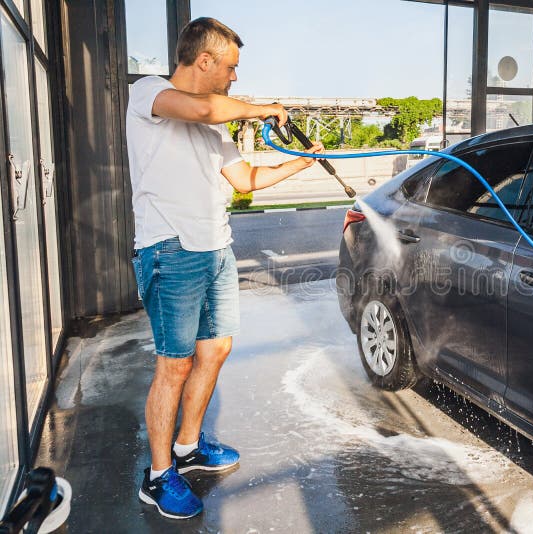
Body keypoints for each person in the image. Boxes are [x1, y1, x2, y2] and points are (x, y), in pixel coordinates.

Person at [126, 17, 323, 519]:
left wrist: (303, 162)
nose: (235, 77)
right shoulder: (150, 93)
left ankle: (189, 447)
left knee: (214, 350)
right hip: (170, 249)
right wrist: (266, 109)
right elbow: (203, 107)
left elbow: (246, 180)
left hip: (216, 249)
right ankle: (157, 475)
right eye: (231, 67)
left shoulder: (213, 130)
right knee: (175, 364)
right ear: (205, 59)